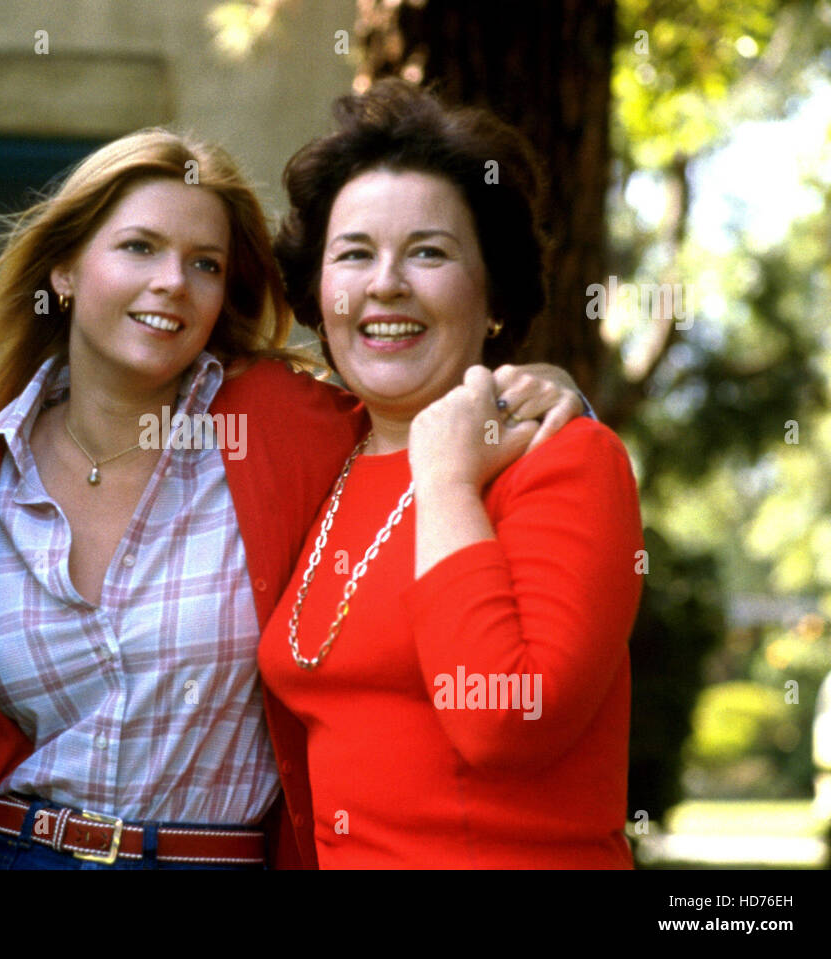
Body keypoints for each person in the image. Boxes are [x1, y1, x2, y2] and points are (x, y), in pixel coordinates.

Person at [0, 127, 586, 870]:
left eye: (205, 264)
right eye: (139, 248)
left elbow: (420, 410)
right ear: (63, 269)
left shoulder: (284, 427)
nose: (172, 281)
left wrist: (532, 386)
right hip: (13, 853)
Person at [258, 79, 644, 868]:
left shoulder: (563, 457)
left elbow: (509, 718)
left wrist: (444, 479)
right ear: (318, 290)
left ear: (493, 294)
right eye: (354, 253)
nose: (385, 283)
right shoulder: (320, 457)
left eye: (428, 251)